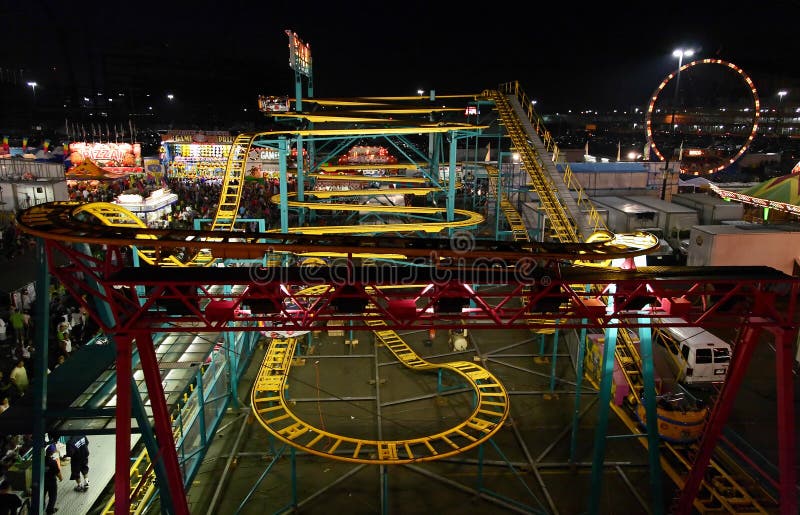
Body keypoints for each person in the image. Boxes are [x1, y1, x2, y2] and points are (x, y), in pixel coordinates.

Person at [43, 442, 62, 514]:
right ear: (52, 453)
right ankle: (50, 509)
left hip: (43, 481)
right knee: (53, 496)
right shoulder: (53, 462)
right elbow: (58, 472)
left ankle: (41, 507)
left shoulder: (42, 460)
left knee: (42, 494)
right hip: (51, 481)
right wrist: (61, 478)